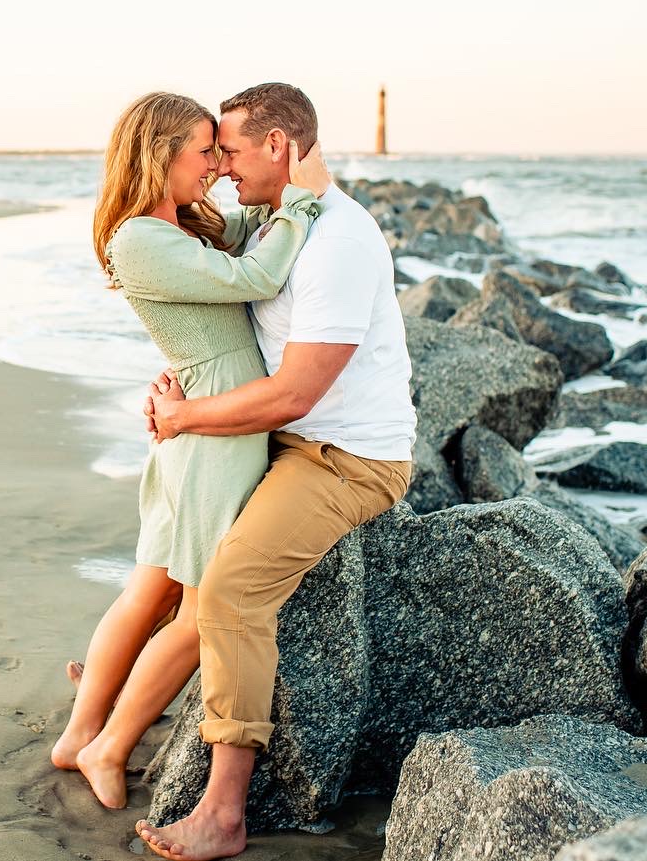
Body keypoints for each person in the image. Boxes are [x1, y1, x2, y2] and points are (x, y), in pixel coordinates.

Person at [135, 83, 416, 860]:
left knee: (230, 589)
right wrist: (176, 384)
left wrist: (185, 418)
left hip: (346, 456)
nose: (221, 167)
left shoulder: (339, 243)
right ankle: (127, 695)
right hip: (286, 439)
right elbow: (216, 317)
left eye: (228, 150)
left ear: (279, 148)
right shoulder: (274, 224)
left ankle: (223, 810)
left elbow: (296, 391)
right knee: (178, 552)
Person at [51, 91, 331, 811]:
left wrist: (284, 184)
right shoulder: (140, 239)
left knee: (151, 588)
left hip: (202, 416)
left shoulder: (179, 224)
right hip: (214, 433)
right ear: (159, 154)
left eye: (219, 151)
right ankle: (105, 743)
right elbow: (256, 276)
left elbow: (246, 227)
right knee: (201, 604)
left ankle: (82, 732)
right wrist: (302, 207)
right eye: (203, 151)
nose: (214, 165)